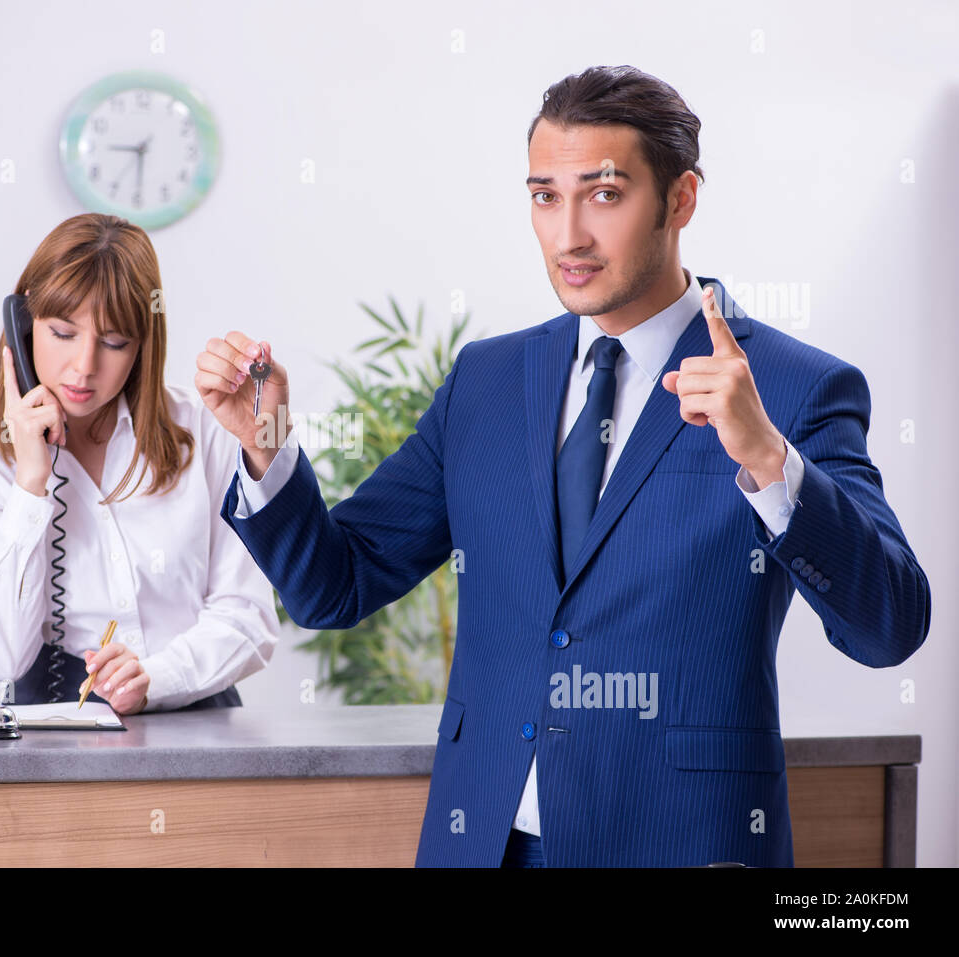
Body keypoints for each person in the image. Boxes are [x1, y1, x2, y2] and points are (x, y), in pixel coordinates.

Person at [195, 65, 931, 866]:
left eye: (605, 195)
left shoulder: (793, 388)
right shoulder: (486, 380)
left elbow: (888, 627)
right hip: (484, 840)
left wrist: (766, 456)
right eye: (546, 196)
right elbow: (334, 584)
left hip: (680, 842)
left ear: (680, 200)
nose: (568, 235)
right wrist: (264, 436)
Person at [0, 212, 278, 712]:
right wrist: (30, 485)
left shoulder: (202, 431)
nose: (84, 366)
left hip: (197, 719)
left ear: (142, 346)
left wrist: (155, 678)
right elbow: (0, 657)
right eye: (62, 333)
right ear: (23, 327)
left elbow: (249, 617)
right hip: (55, 727)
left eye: (115, 342)